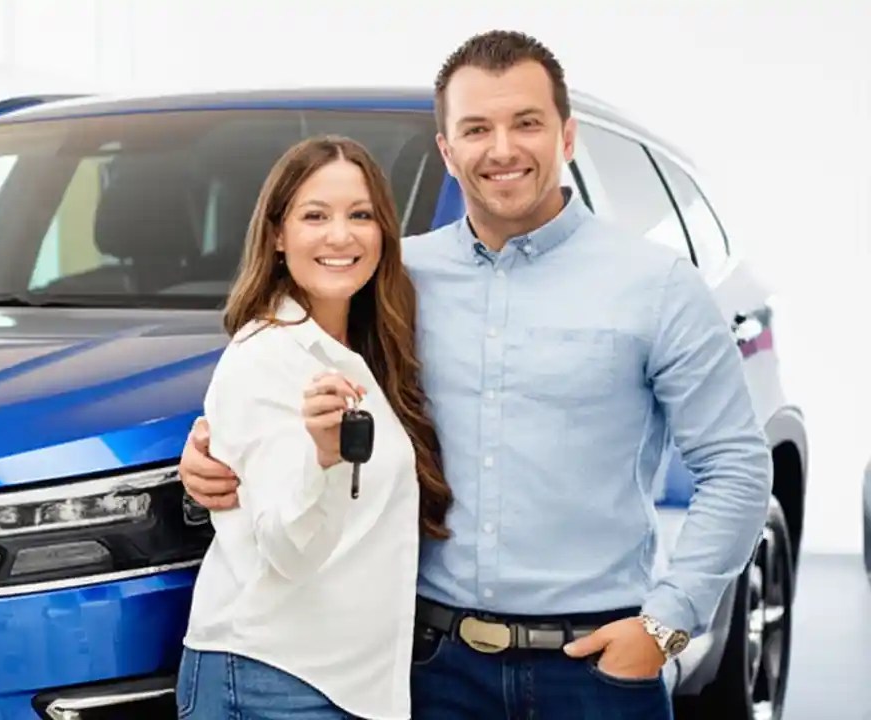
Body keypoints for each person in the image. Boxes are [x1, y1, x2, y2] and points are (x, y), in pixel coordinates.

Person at [179, 30, 772, 719]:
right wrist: (214, 462)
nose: (502, 149)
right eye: (475, 128)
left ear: (567, 136)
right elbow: (295, 383)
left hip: (597, 669)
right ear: (447, 151)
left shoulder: (658, 285)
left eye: (527, 123)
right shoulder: (393, 281)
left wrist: (667, 625)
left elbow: (735, 464)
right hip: (431, 668)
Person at [175, 135, 453, 720]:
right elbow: (286, 552)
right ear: (277, 235)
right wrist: (322, 461)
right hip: (274, 682)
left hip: (349, 682)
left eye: (361, 215)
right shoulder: (265, 360)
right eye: (314, 216)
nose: (340, 236)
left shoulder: (367, 350)